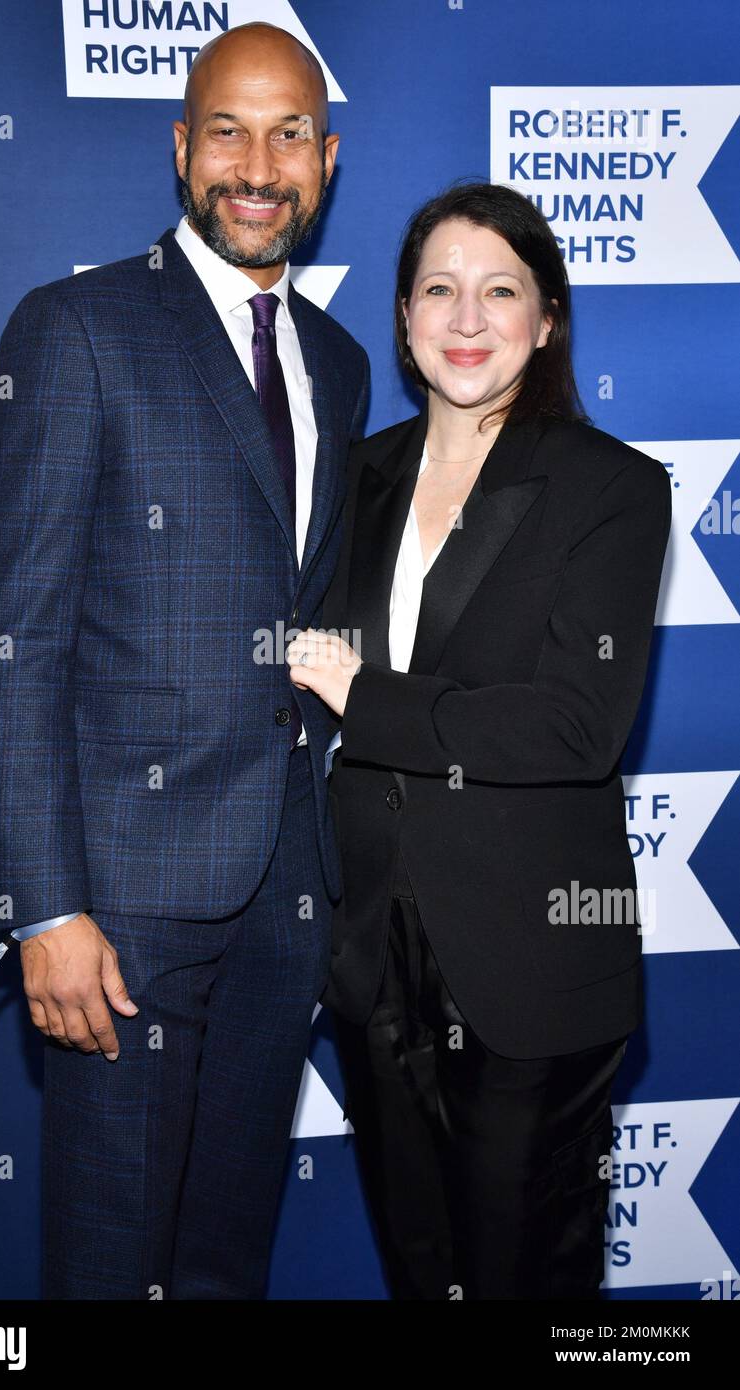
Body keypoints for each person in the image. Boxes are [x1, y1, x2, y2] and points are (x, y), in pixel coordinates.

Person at [0, 21, 369, 1299]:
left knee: (220, 1258)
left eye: (289, 132)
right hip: (120, 911)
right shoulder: (76, 328)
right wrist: (46, 905)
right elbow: (14, 641)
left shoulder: (345, 366)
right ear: (181, 148)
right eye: (230, 131)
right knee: (110, 1256)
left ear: (327, 157)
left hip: (283, 898)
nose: (259, 165)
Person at [286, 181, 672, 1300]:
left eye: (498, 290)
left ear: (546, 317)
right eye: (438, 291)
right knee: (422, 1271)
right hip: (371, 961)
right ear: (402, 320)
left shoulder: (612, 489)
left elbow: (575, 723)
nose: (466, 320)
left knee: (522, 1282)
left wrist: (368, 695)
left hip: (529, 962)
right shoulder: (349, 480)